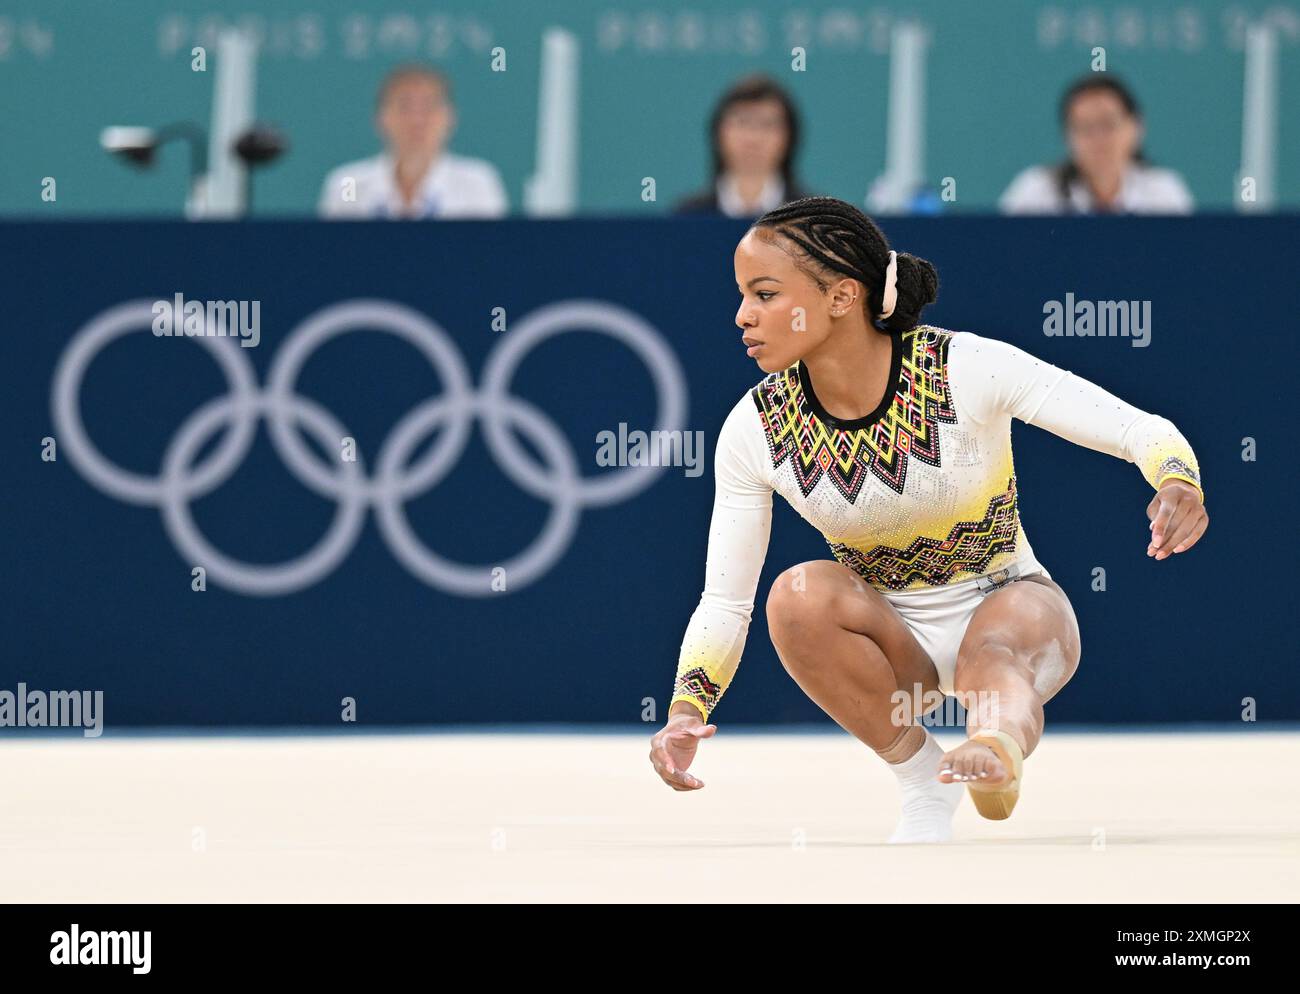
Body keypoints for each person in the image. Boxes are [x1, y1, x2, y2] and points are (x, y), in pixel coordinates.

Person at [649, 197, 1207, 843]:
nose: (742, 315)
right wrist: (685, 709)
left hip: (1009, 603)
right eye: (744, 295)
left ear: (841, 296)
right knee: (795, 595)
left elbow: (1137, 428)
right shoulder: (756, 427)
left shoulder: (962, 368)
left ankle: (995, 749)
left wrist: (1176, 479)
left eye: (765, 294)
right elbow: (725, 601)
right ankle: (923, 778)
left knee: (993, 654)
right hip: (892, 646)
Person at [319, 65, 507, 219]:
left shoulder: (477, 183)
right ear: (381, 117)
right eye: (404, 107)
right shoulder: (348, 183)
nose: (416, 120)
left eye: (428, 107)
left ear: (450, 117)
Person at [1000, 75, 1193, 215]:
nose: (1098, 138)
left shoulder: (1163, 193)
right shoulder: (1035, 192)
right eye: (1085, 127)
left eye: (1108, 124)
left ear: (1136, 127)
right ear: (1067, 136)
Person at [674, 74, 815, 218]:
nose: (753, 138)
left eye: (767, 124)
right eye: (742, 122)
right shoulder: (687, 217)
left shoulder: (814, 218)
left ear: (789, 136)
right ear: (718, 133)